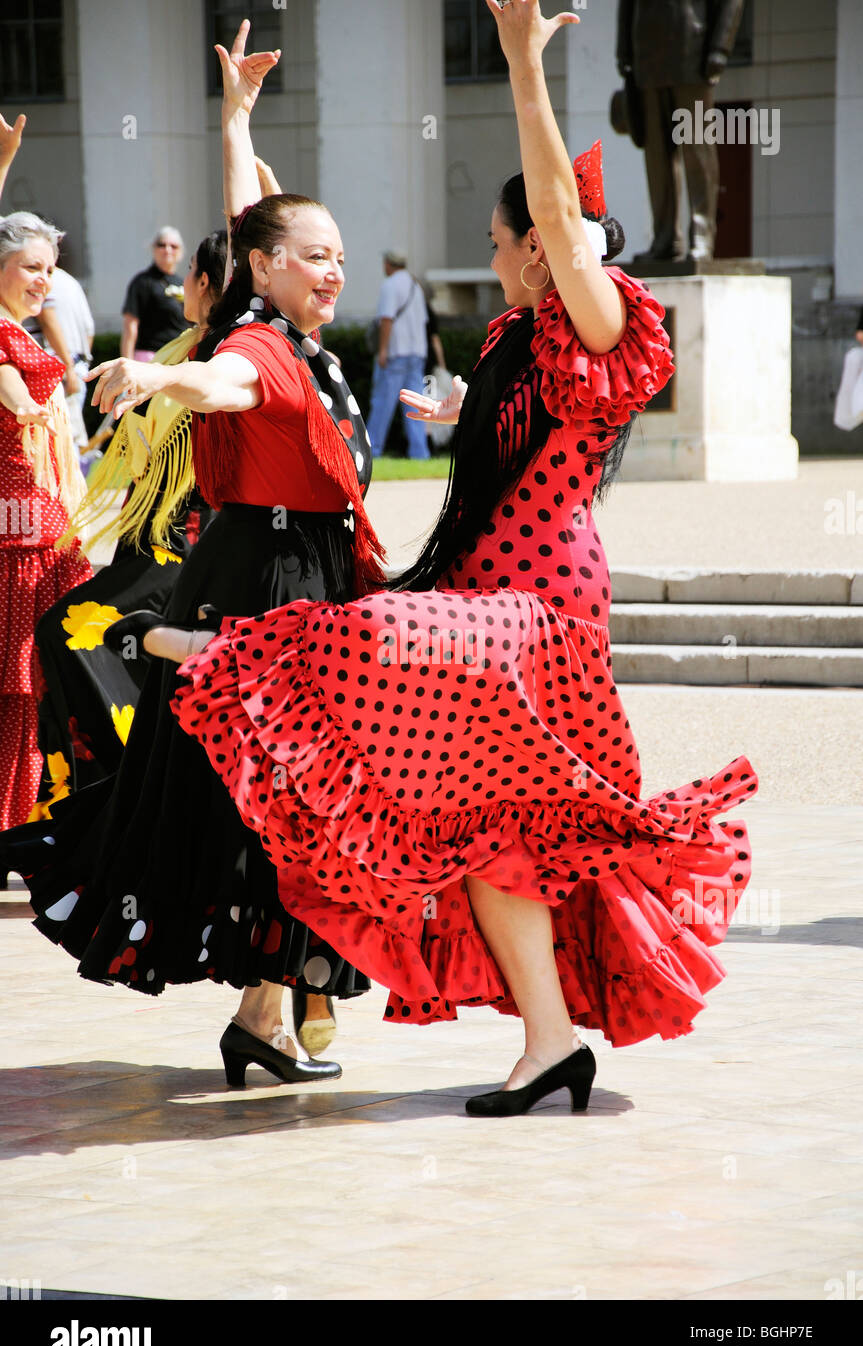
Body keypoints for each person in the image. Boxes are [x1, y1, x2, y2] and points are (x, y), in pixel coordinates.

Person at [158, 0, 758, 1119]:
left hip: (538, 606)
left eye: (498, 240)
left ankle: (228, 645)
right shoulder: (516, 344)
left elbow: (556, 218)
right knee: (498, 839)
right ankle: (548, 1043)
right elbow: (263, 256)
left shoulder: (591, 318)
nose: (491, 256)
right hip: (488, 586)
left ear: (538, 242)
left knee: (365, 639)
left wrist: (525, 67)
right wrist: (453, 416)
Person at [0, 23, 378, 1077]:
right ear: (267, 270)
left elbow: (251, 219)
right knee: (291, 801)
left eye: (341, 255)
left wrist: (237, 120)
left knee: (280, 802)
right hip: (274, 580)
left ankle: (269, 1011)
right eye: (318, 256)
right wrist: (164, 378)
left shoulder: (281, 320)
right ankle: (283, 998)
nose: (335, 269)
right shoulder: (260, 348)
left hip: (279, 579)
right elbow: (227, 383)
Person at [25, 231, 226, 819]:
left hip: (182, 545)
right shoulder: (181, 351)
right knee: (75, 637)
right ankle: (106, 799)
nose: (181, 280)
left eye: (191, 271)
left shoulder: (223, 358)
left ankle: (118, 793)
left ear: (207, 284)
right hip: (149, 537)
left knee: (69, 631)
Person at [0, 210, 91, 832]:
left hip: (49, 536)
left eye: (50, 269)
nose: (43, 280)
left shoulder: (22, 328)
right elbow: (14, 391)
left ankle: (39, 824)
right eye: (31, 266)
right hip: (19, 541)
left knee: (51, 692)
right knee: (21, 697)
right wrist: (30, 407)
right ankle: (13, 828)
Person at [616, 0, 745, 261]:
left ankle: (702, 235)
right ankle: (664, 240)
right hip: (647, 57)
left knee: (697, 151)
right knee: (657, 157)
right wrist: (624, 51)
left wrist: (720, 46)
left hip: (691, 54)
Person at [366, 250, 430, 460]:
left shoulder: (390, 285)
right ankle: (420, 453)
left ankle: (372, 451)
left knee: (383, 404)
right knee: (414, 406)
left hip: (396, 353)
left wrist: (383, 350)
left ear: (388, 264)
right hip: (417, 352)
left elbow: (387, 319)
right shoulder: (415, 286)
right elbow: (423, 322)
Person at [32, 261, 95, 458]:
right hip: (76, 364)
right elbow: (89, 329)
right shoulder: (70, 281)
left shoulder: (48, 281)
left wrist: (68, 367)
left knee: (60, 444)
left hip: (60, 368)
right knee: (69, 441)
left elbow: (47, 318)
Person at [120, 227, 187, 361]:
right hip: (149, 358)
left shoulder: (184, 283)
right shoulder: (142, 282)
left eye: (173, 246)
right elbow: (130, 328)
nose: (168, 250)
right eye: (162, 245)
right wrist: (127, 363)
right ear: (154, 248)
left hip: (178, 357)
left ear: (180, 252)